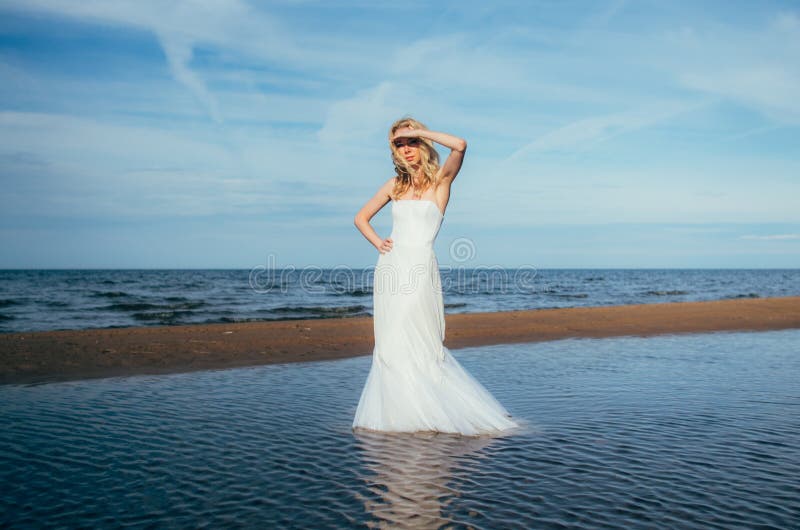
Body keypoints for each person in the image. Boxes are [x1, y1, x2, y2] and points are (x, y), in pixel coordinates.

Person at [351, 117, 519, 436]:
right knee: (389, 345)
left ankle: (429, 410)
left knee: (421, 342)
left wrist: (418, 131)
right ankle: (399, 414)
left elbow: (460, 145)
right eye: (399, 145)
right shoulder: (393, 186)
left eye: (411, 142)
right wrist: (379, 243)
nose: (406, 149)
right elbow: (361, 218)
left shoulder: (441, 182)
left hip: (420, 268)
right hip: (390, 268)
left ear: (422, 144)